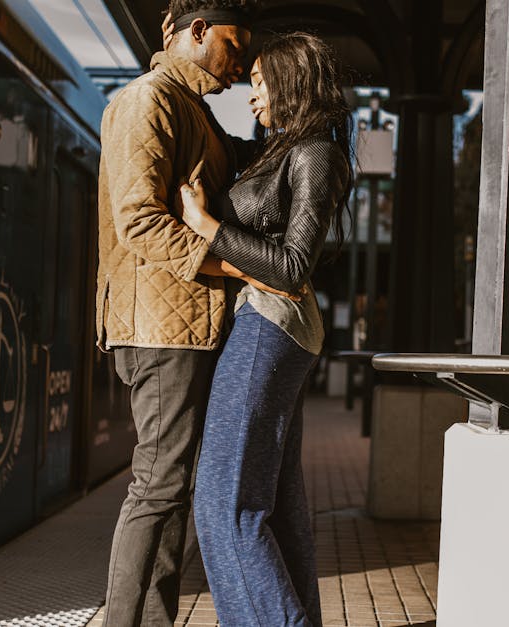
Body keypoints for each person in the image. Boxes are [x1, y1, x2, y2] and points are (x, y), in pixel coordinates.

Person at [94, 1, 286, 625]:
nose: (240, 62)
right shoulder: (147, 101)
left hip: (185, 323)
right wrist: (237, 266)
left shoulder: (192, 110)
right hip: (159, 326)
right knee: (157, 487)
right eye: (234, 45)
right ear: (197, 32)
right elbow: (140, 223)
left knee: (171, 488)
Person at [176, 32, 353, 627]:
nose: (252, 96)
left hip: (270, 324)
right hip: (268, 324)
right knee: (275, 507)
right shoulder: (284, 149)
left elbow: (294, 266)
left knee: (223, 506)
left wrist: (205, 224)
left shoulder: (316, 154)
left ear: (291, 81)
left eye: (259, 83)